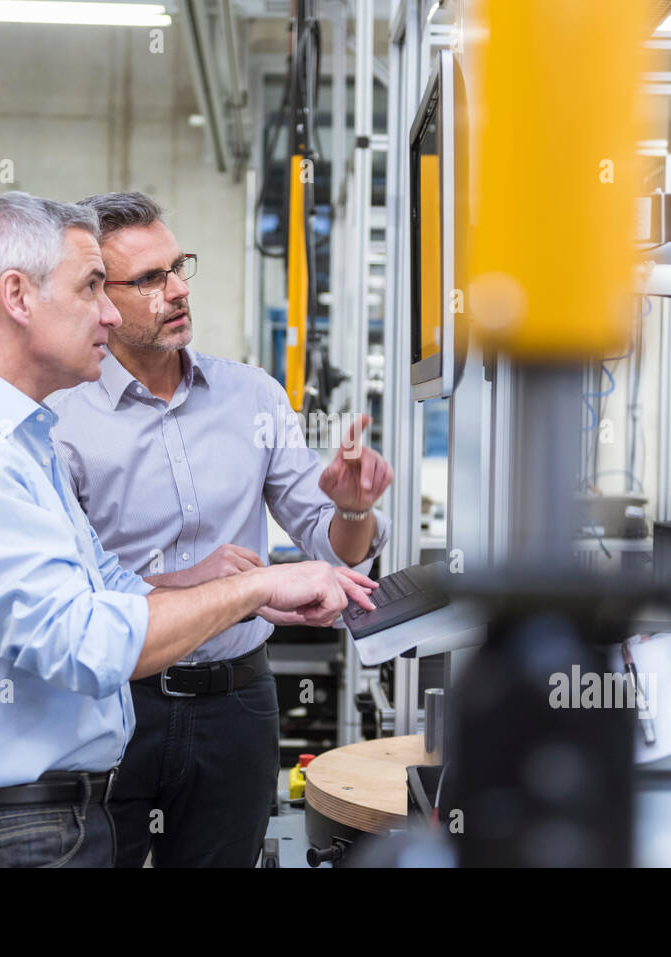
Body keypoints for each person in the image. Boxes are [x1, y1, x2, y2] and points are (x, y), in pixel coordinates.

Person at [0, 191, 376, 868]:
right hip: (7, 833)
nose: (105, 310)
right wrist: (254, 587)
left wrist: (224, 585)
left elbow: (108, 587)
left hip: (57, 817)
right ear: (18, 296)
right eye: (93, 286)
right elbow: (87, 641)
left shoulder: (20, 439)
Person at [48, 191, 394, 867]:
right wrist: (176, 584)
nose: (177, 290)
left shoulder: (253, 396)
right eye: (150, 279)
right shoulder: (62, 418)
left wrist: (353, 509)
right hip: (118, 705)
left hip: (237, 704)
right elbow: (63, 588)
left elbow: (330, 544)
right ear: (102, 299)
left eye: (179, 268)